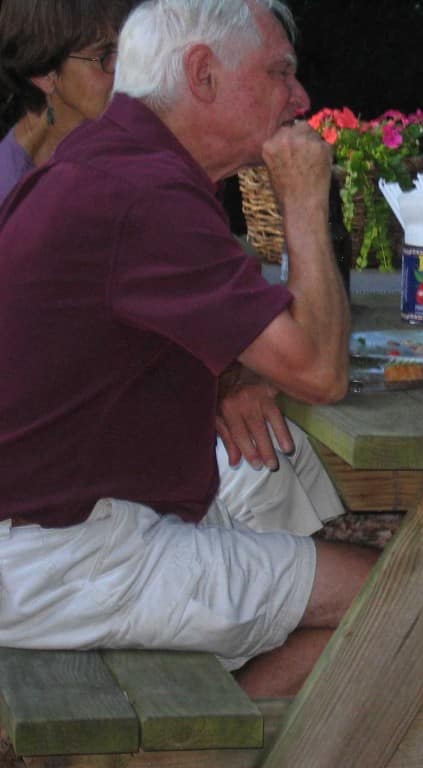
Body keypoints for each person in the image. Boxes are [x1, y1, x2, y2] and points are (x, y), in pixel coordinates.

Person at [0, 0, 377, 699]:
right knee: (394, 596)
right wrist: (302, 203)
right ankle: (201, 746)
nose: (300, 98)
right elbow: (321, 372)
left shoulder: (107, 161)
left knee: (264, 472)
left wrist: (227, 375)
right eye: (279, 72)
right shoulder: (143, 193)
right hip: (55, 556)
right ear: (202, 75)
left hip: (58, 520)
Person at [0, 0, 130, 200]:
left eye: (127, 48)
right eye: (104, 56)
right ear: (45, 75)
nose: (124, 68)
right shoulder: (11, 196)